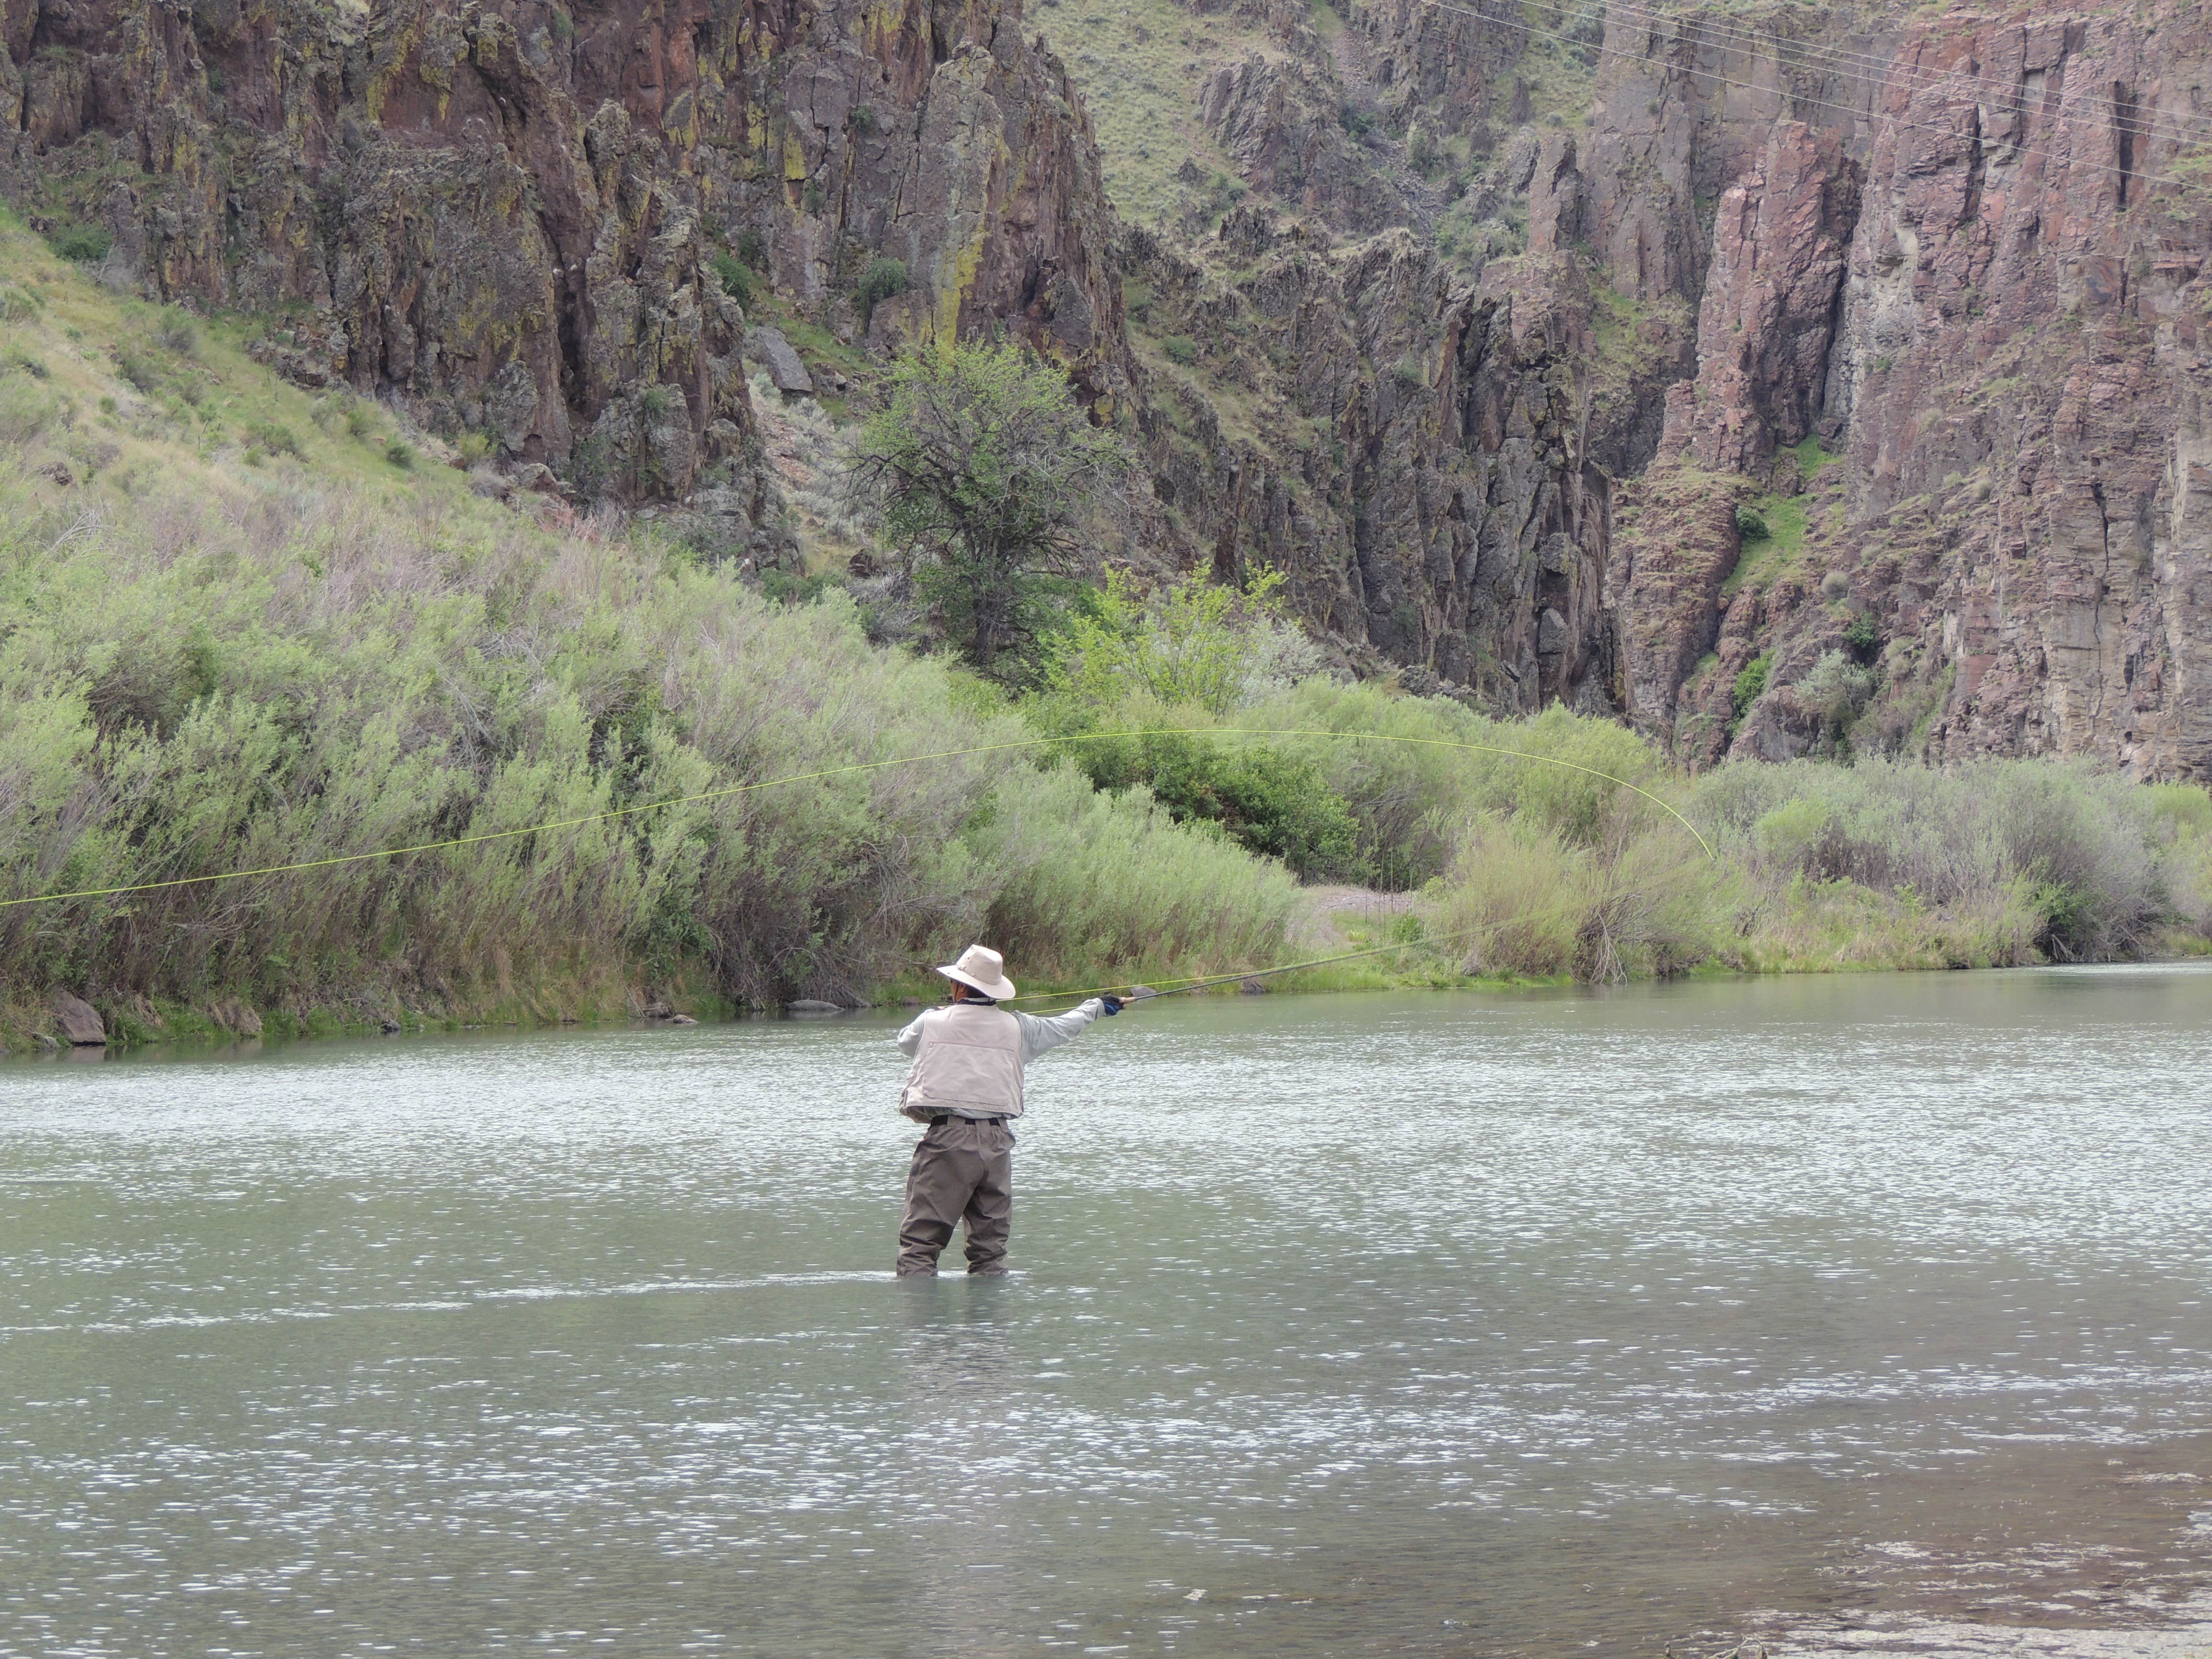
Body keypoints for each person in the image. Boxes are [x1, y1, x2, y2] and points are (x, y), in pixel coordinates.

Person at [892, 944, 1122, 1276]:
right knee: (990, 1254)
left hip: (947, 1140)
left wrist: (936, 1014)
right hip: (998, 1144)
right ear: (994, 990)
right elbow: (1065, 1027)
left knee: (920, 1247)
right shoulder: (1021, 1027)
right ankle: (989, 1327)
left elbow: (905, 1043)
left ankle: (923, 1326)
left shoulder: (932, 1021)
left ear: (959, 986)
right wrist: (1096, 1008)